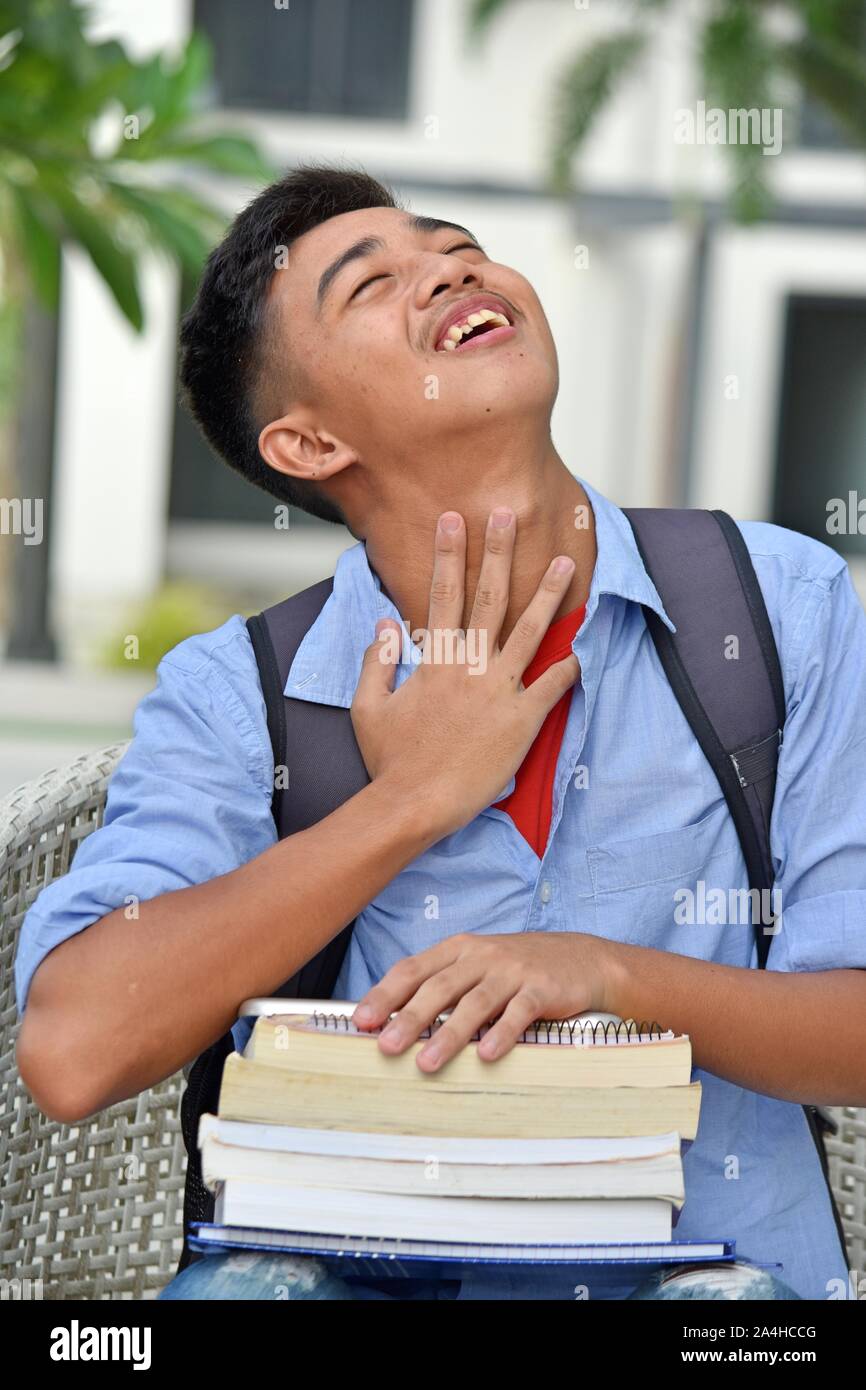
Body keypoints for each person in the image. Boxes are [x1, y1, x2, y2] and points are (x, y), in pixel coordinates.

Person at [14, 166, 866, 1302]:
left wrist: (605, 973)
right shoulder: (239, 693)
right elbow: (74, 1049)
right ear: (308, 446)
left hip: (716, 1282)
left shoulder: (777, 609)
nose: (450, 268)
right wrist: (408, 799)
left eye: (454, 243)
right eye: (370, 283)